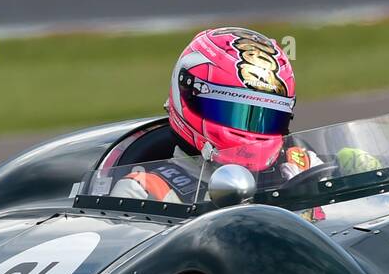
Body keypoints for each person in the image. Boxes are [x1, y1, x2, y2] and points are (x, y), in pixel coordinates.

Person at [111, 26, 324, 205]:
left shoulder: (302, 165)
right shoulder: (143, 191)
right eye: (235, 113)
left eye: (266, 117)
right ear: (189, 95)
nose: (250, 132)